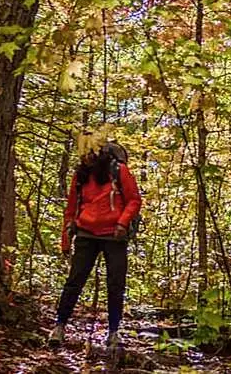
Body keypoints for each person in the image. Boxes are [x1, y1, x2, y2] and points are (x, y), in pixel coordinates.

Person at [49, 139, 141, 355]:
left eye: (90, 153)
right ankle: (59, 327)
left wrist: (122, 222)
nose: (86, 158)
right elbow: (71, 208)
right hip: (86, 233)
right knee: (75, 281)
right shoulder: (80, 176)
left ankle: (114, 331)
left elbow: (134, 200)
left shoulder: (119, 171)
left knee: (115, 284)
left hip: (114, 235)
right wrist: (65, 240)